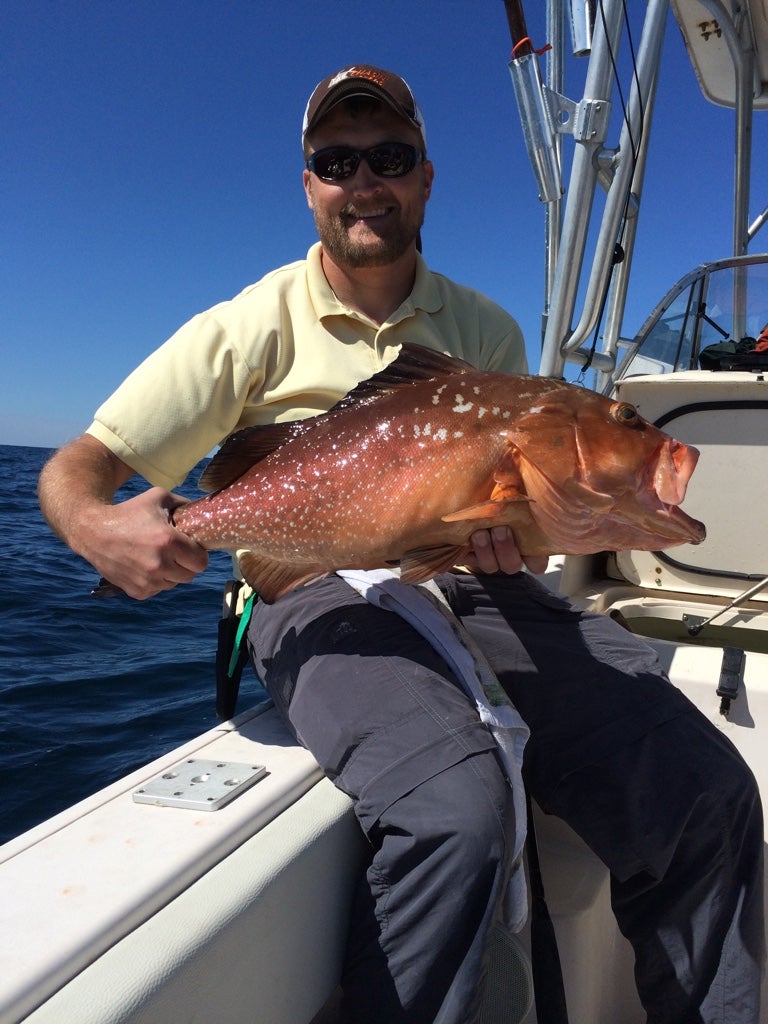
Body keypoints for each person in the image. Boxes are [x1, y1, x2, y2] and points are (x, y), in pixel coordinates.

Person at [38, 65, 764, 1023]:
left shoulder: (485, 330)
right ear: (309, 186)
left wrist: (514, 543)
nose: (363, 180)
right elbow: (79, 468)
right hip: (310, 586)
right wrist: (99, 527)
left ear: (425, 177)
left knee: (703, 785)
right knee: (454, 812)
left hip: (468, 589)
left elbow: (520, 535)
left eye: (389, 157)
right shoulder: (247, 325)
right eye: (336, 161)